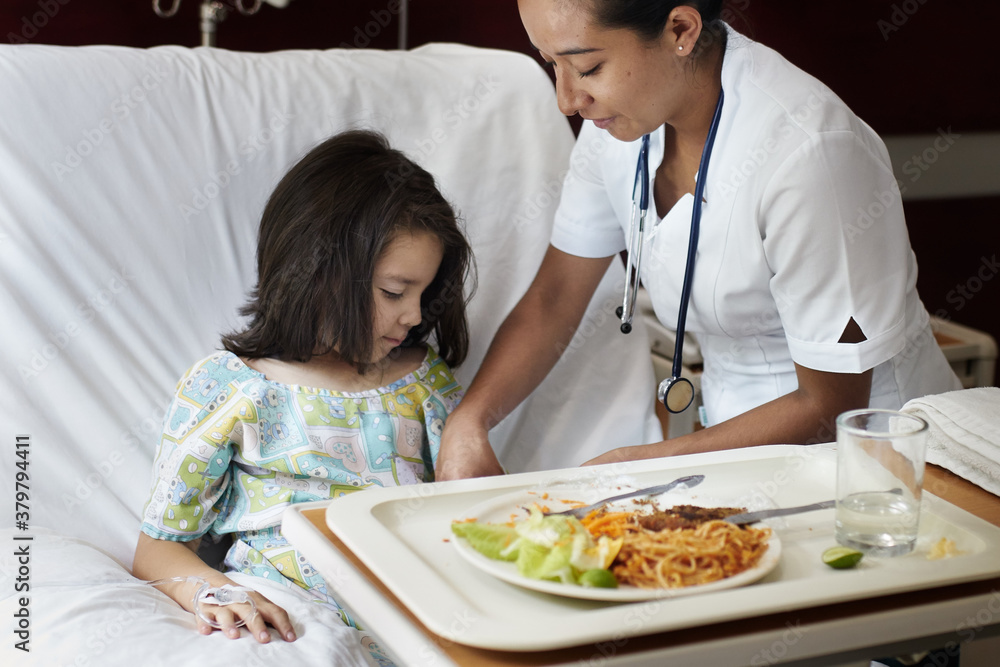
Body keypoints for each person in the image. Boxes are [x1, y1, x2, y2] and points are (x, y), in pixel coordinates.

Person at [435, 0, 960, 480]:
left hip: (879, 462)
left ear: (680, 30)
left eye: (588, 67)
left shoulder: (809, 151)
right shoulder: (619, 127)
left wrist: (635, 466)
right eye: (553, 63)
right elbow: (554, 300)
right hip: (733, 448)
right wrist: (470, 421)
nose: (567, 100)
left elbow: (829, 404)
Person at [132, 129, 473, 660]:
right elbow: (159, 548)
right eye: (393, 292)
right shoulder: (231, 390)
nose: (413, 315)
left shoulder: (423, 384)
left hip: (414, 609)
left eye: (425, 294)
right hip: (289, 615)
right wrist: (214, 591)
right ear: (316, 274)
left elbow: (459, 514)